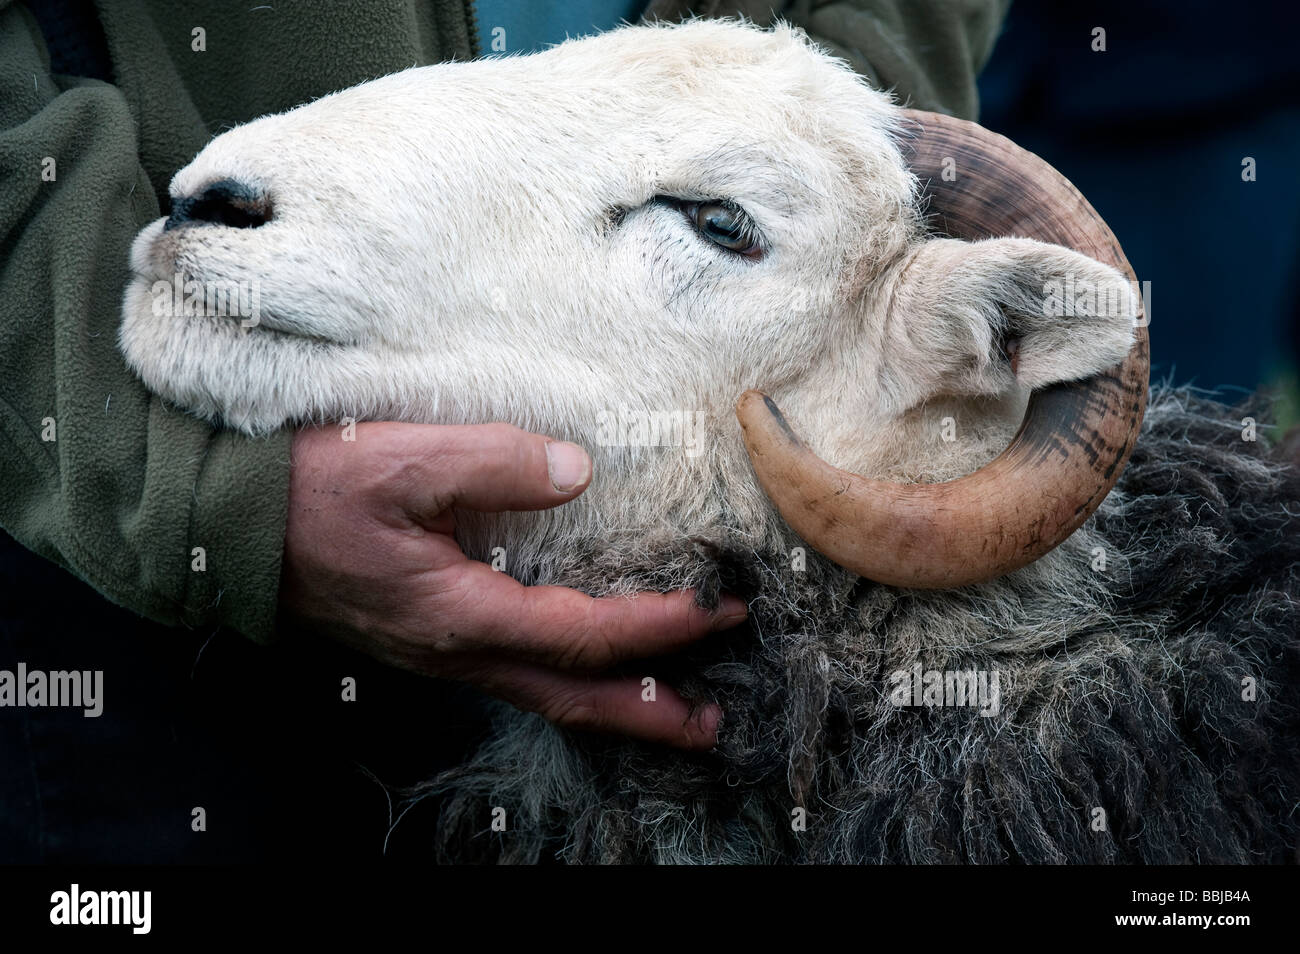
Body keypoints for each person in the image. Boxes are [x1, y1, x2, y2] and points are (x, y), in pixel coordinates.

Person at [0, 0, 1008, 860]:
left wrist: (832, 152)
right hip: (94, 562)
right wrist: (192, 480)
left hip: (702, 593)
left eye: (719, 222)